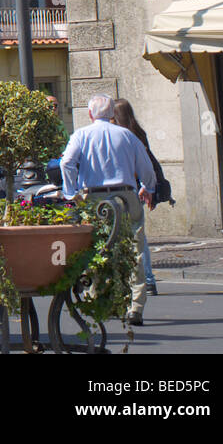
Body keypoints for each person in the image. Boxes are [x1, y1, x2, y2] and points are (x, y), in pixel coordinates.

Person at [60, 93, 156, 325]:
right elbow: (146, 166)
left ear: (91, 114)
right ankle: (135, 306)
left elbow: (66, 162)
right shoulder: (127, 135)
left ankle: (96, 296)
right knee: (134, 248)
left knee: (96, 247)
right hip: (125, 194)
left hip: (95, 197)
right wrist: (148, 186)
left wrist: (71, 193)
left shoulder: (81, 135)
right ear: (112, 114)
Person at [112, 98, 163, 297]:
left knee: (120, 236)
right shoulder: (138, 133)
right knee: (138, 236)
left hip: (123, 189)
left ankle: (130, 280)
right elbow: (147, 162)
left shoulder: (120, 136)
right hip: (137, 190)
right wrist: (146, 186)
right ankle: (148, 280)